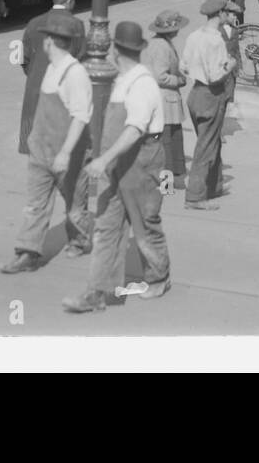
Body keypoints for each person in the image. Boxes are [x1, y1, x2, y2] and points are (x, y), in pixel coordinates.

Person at [63, 22, 170, 313]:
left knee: (145, 222)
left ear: (116, 50)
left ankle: (158, 277)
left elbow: (135, 129)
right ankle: (96, 292)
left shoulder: (142, 83)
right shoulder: (124, 79)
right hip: (121, 162)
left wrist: (103, 159)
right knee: (107, 226)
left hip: (142, 161)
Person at [0, 11, 95, 274]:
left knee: (75, 206)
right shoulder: (52, 68)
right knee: (35, 205)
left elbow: (79, 117)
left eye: (47, 39)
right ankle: (27, 253)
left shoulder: (75, 74)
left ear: (52, 42)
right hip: (41, 150)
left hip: (68, 153)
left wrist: (65, 152)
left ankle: (79, 240)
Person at [179, 0, 236, 211]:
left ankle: (215, 185)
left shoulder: (194, 35)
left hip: (194, 95)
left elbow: (184, 66)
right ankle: (195, 196)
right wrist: (230, 65)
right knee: (205, 146)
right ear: (220, 14)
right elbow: (215, 76)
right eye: (226, 12)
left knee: (213, 141)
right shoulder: (216, 40)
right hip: (211, 95)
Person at [18, 0, 85, 155]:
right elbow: (81, 57)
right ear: (70, 0)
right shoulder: (76, 24)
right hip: (63, 91)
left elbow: (23, 59)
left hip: (35, 87)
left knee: (35, 144)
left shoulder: (33, 23)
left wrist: (35, 74)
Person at [144, 10, 189, 191]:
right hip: (165, 101)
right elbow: (160, 76)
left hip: (166, 101)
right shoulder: (161, 47)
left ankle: (171, 181)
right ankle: (166, 185)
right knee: (167, 146)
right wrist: (179, 80)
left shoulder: (160, 43)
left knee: (172, 143)